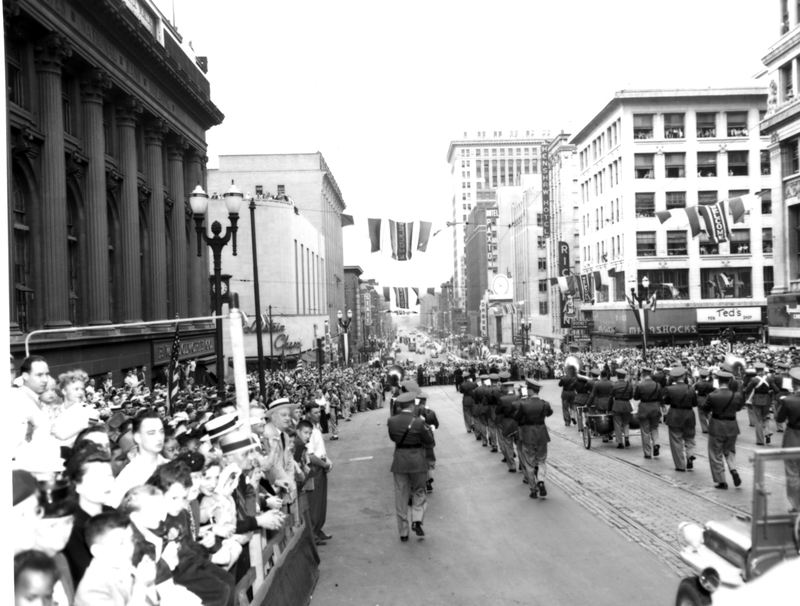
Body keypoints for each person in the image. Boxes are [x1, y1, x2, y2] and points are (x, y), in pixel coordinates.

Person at [74, 511, 157, 606]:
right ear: (98, 551)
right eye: (120, 543)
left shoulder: (122, 568)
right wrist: (140, 587)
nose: (130, 547)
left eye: (131, 539)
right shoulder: (91, 591)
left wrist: (149, 583)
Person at [388, 392, 433, 540]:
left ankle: (403, 532)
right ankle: (417, 519)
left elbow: (393, 438)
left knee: (401, 495)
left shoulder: (392, 421)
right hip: (417, 460)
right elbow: (428, 441)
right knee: (419, 491)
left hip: (400, 460)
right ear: (413, 405)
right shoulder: (418, 422)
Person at [110, 412, 168, 507]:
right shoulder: (126, 478)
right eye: (151, 433)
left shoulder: (171, 465)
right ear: (137, 437)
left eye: (161, 431)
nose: (159, 437)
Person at [703, 370, 744, 489]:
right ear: (730, 381)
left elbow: (705, 407)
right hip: (732, 426)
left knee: (715, 454)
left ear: (718, 380)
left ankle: (721, 481)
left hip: (717, 426)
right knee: (730, 451)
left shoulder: (713, 395)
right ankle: (733, 470)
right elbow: (739, 408)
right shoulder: (736, 395)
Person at [514, 379, 552, 499]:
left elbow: (517, 418)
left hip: (528, 435)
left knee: (529, 462)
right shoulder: (545, 404)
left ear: (530, 390)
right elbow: (549, 413)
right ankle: (541, 480)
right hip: (542, 434)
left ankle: (533, 489)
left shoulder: (524, 404)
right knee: (541, 460)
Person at [10, 355, 51, 459]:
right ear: (25, 376)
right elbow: (13, 448)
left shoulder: (36, 399)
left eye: (47, 374)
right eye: (39, 375)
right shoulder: (18, 402)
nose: (45, 379)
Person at [304, 401, 333, 546]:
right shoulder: (307, 430)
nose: (318, 415)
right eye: (315, 412)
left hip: (320, 465)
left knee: (321, 501)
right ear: (308, 414)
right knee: (314, 503)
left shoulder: (317, 427)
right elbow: (310, 455)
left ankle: (318, 529)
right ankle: (313, 534)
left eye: (319, 412)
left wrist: (327, 461)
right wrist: (324, 464)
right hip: (314, 468)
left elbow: (320, 449)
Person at [663, 366, 698, 472]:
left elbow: (667, 401)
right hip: (689, 415)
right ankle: (690, 455)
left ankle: (680, 465)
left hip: (675, 415)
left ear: (673, 378)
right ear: (684, 376)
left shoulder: (670, 389)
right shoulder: (691, 388)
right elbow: (695, 404)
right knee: (690, 438)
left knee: (676, 440)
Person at [776, 367, 800, 511]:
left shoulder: (789, 400)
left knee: (792, 472)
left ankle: (796, 505)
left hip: (792, 437)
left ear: (793, 382)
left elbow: (779, 418)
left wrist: (782, 402)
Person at [744, 362, 777, 445]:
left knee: (758, 420)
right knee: (765, 417)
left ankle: (760, 440)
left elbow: (747, 391)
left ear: (756, 370)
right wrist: (769, 391)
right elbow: (776, 390)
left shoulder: (754, 379)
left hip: (757, 400)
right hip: (767, 400)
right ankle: (767, 431)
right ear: (763, 370)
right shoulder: (769, 379)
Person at [633, 366, 662, 459]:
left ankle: (647, 452)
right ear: (650, 375)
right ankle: (656, 443)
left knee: (645, 431)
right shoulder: (658, 385)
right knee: (654, 428)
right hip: (655, 408)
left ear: (643, 374)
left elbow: (636, 398)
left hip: (644, 409)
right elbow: (660, 398)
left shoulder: (640, 385)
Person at [611, 369, 633, 449]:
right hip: (627, 405)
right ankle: (626, 438)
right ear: (624, 376)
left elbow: (611, 396)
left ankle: (620, 442)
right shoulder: (629, 385)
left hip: (617, 405)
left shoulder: (614, 385)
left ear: (617, 376)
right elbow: (631, 396)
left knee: (618, 424)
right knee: (626, 423)